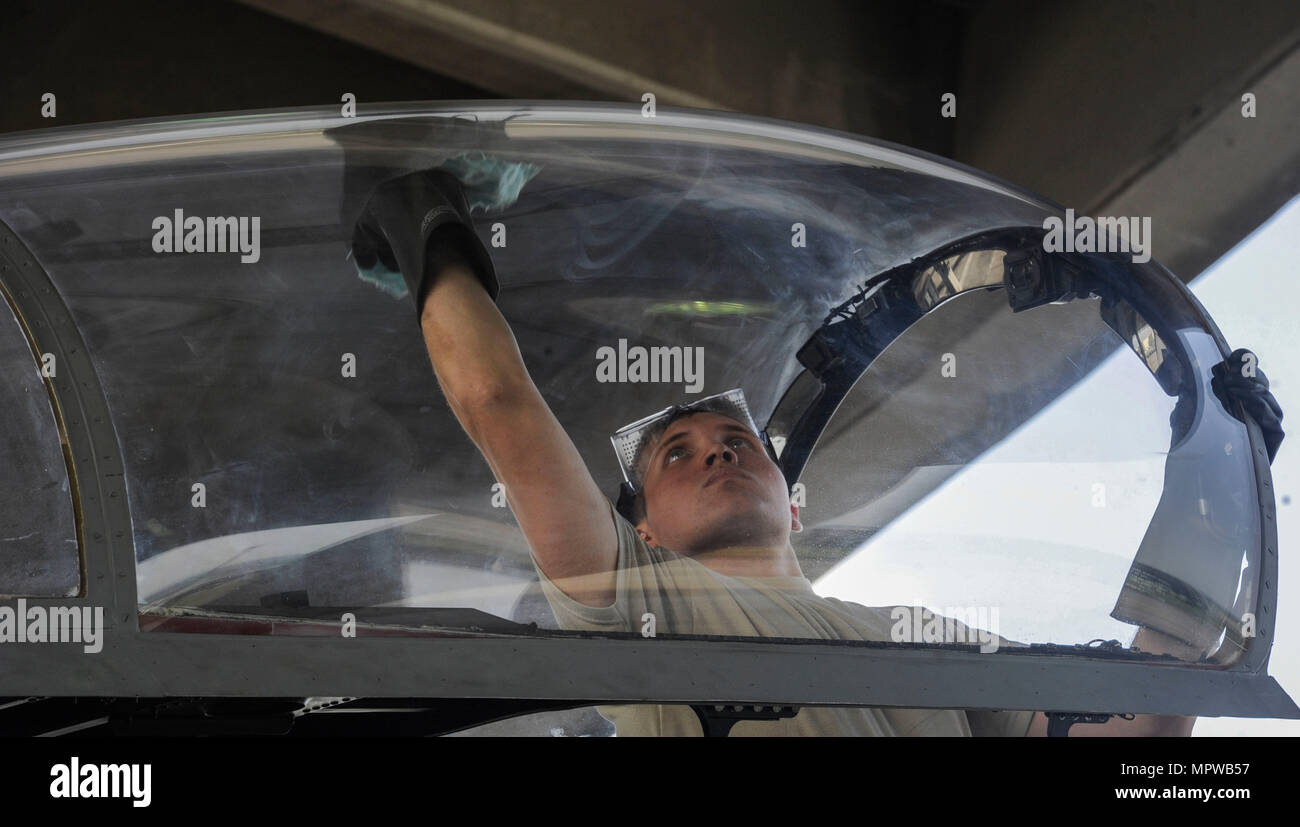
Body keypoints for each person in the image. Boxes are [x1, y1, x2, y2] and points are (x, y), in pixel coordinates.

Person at [353, 167, 1221, 736]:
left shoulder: (924, 647)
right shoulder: (632, 601)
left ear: (794, 500)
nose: (715, 453)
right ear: (642, 529)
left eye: (735, 441)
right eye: (677, 455)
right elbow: (497, 403)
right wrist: (426, 221)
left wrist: (1213, 474)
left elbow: (1134, 743)